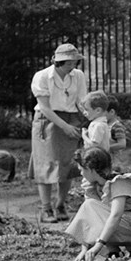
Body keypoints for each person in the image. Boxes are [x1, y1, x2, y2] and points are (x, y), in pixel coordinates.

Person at [65, 147, 131, 261]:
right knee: (90, 208)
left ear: (90, 169)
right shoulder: (96, 186)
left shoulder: (119, 183)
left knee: (92, 207)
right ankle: (114, 251)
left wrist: (98, 245)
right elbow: (88, 218)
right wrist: (84, 248)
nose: (81, 173)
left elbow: (116, 216)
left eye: (81, 169)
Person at [27, 43, 88, 223]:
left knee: (67, 164)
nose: (72, 66)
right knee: (45, 164)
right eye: (68, 62)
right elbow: (45, 108)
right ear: (58, 62)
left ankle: (60, 204)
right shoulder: (42, 76)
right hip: (48, 121)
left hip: (71, 118)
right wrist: (64, 126)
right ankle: (46, 208)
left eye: (74, 62)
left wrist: (90, 118)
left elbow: (81, 101)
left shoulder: (78, 76)